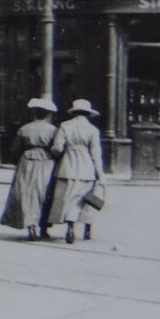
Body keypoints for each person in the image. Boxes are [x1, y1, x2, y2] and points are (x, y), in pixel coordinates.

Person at [45, 98, 104, 244]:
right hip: (86, 168)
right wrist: (100, 173)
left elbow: (57, 148)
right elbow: (96, 154)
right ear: (88, 114)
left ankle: (69, 225)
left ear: (74, 112)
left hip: (67, 167)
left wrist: (55, 153)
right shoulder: (93, 130)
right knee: (85, 200)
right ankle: (87, 227)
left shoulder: (65, 126)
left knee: (66, 198)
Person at [0, 97, 58, 239]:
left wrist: (15, 161)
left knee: (26, 193)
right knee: (45, 193)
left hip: (27, 161)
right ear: (48, 114)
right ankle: (43, 227)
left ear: (35, 113)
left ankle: (30, 226)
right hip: (47, 162)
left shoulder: (24, 128)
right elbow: (57, 148)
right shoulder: (53, 130)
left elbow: (15, 149)